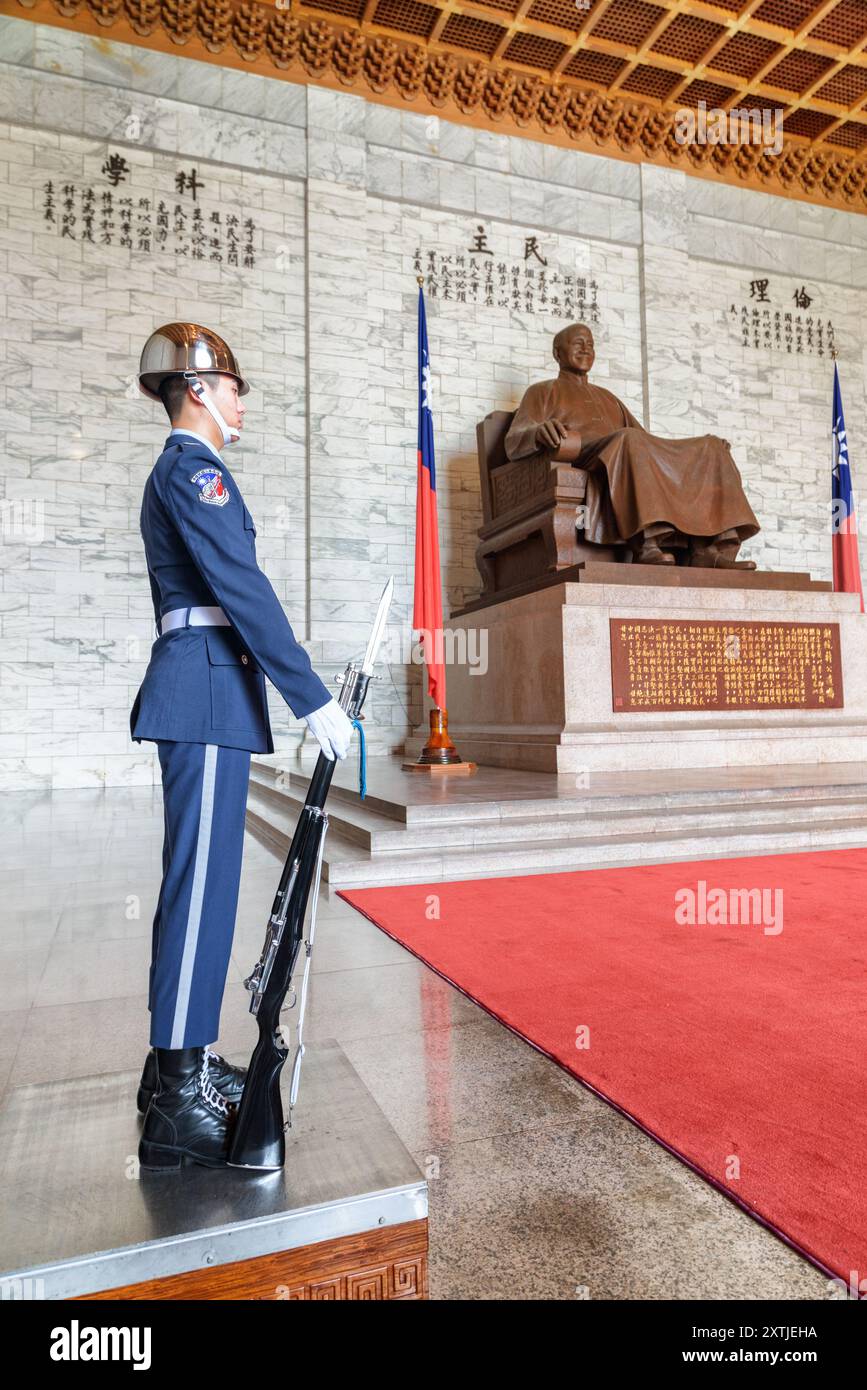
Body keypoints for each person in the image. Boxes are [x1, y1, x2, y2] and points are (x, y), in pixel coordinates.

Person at [130, 322, 354, 1171]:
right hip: (206, 689)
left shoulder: (193, 471)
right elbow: (240, 588)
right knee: (201, 894)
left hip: (213, 691)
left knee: (206, 888)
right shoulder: (193, 471)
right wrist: (311, 695)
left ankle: (172, 1073)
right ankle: (178, 1101)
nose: (240, 399)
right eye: (231, 385)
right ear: (197, 391)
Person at [505, 323, 760, 569]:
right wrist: (538, 432)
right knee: (628, 439)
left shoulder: (608, 397)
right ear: (557, 353)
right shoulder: (542, 391)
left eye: (591, 345)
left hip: (622, 450)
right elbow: (513, 439)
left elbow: (647, 443)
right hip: (584, 453)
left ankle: (707, 549)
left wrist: (697, 451)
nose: (586, 350)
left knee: (711, 446)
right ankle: (645, 545)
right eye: (578, 344)